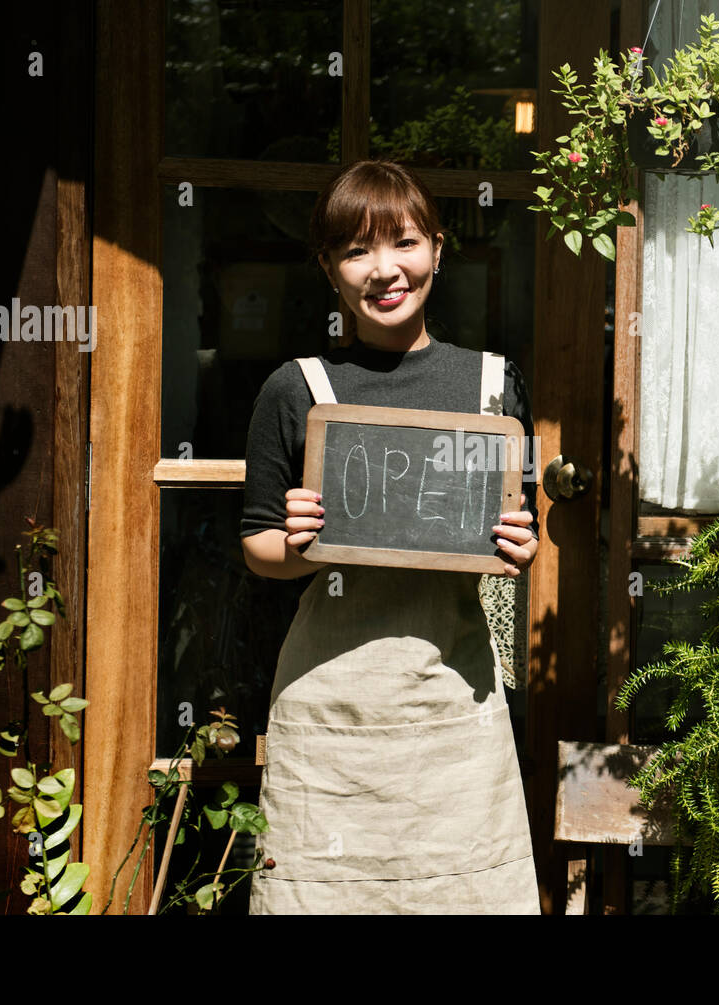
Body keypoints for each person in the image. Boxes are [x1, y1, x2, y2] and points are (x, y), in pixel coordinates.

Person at [239, 159, 542, 914]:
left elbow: (514, 534)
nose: (384, 270)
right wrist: (297, 546)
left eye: (403, 242)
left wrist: (519, 546)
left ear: (438, 248)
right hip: (329, 710)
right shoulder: (297, 387)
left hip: (453, 705)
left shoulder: (491, 388)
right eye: (355, 251)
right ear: (328, 270)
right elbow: (257, 547)